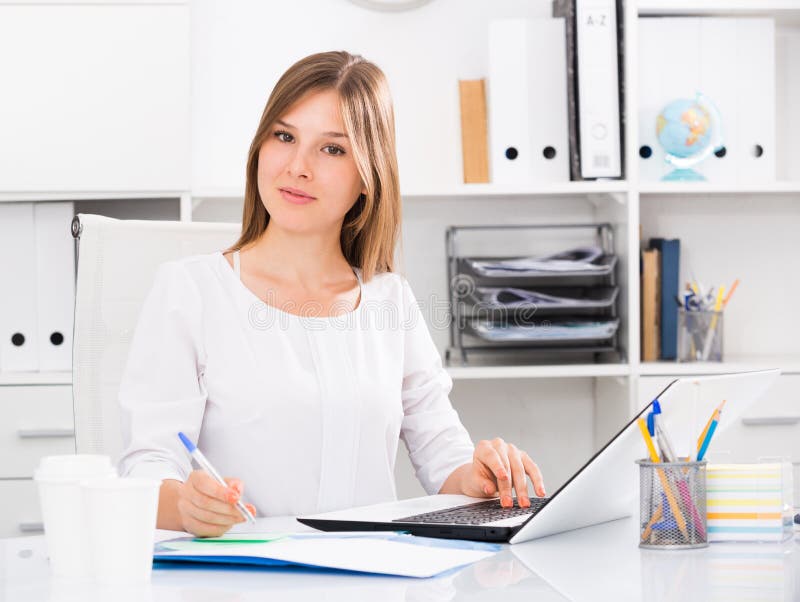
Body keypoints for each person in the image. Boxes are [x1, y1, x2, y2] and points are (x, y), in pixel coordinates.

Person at [118, 50, 545, 537]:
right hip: (245, 577)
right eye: (284, 136)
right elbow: (147, 465)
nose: (298, 166)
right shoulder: (189, 291)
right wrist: (183, 504)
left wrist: (481, 476)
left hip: (370, 575)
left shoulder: (391, 302)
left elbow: (443, 458)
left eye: (332, 149)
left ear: (368, 177)